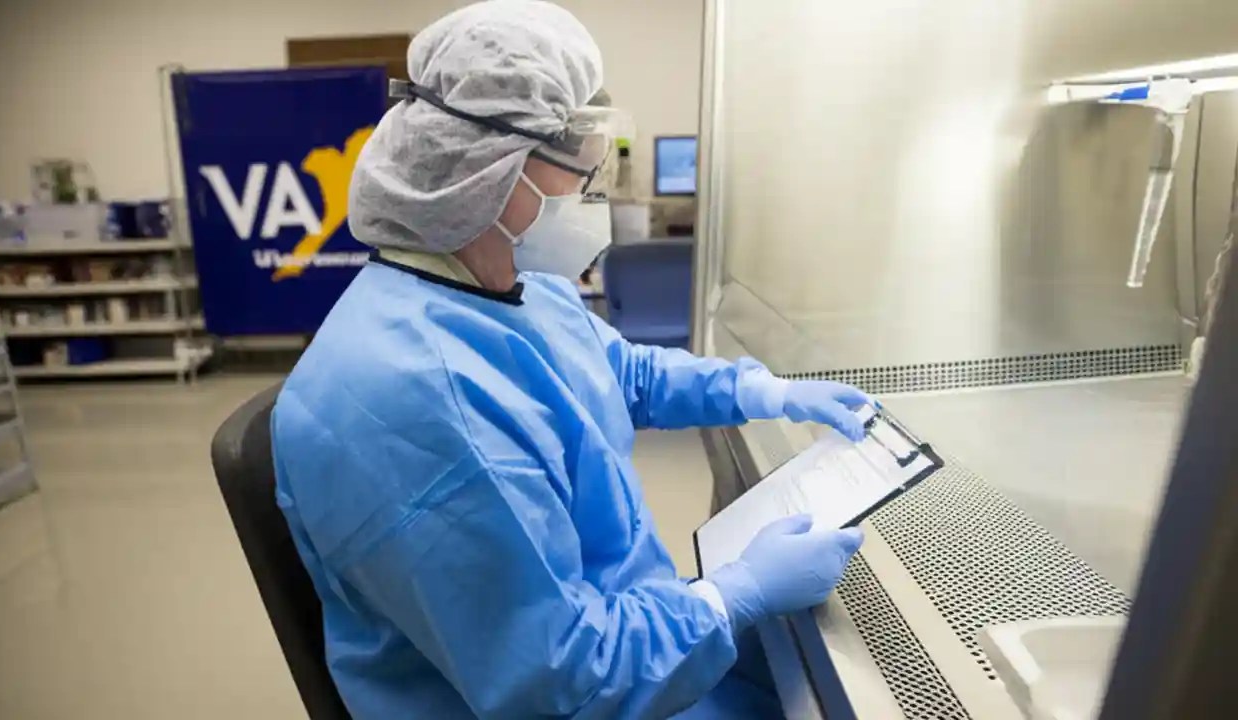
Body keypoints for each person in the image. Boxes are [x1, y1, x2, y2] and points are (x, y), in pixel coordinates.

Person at [271, 2, 870, 718]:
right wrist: (732, 594)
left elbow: (619, 373)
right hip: (578, 687)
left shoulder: (500, 290)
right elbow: (558, 681)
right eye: (581, 177)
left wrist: (760, 392)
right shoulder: (426, 404)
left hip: (624, 635)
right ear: (491, 174)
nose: (595, 197)